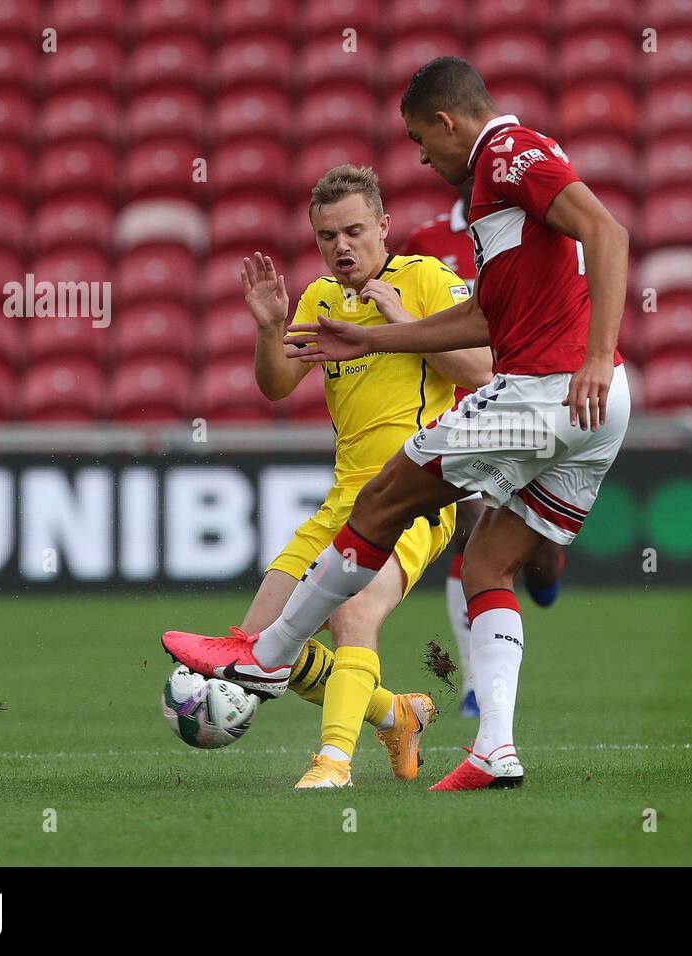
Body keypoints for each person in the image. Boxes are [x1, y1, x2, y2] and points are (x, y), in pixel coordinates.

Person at [164, 56, 632, 791]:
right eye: (327, 235)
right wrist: (303, 332)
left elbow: (592, 249)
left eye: (421, 139)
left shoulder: (487, 186)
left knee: (365, 566)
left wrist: (596, 355)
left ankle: (315, 738)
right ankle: (474, 745)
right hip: (557, 411)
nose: (421, 155)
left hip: (524, 409)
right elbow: (290, 379)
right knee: (486, 567)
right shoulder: (334, 288)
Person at [209, 165, 492, 789]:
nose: (341, 247)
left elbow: (481, 369)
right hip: (345, 498)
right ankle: (394, 714)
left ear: (384, 227)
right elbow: (277, 385)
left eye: (355, 231)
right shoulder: (319, 298)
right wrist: (267, 329)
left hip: (418, 492)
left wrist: (400, 326)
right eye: (327, 236)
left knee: (354, 613)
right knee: (255, 646)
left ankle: (333, 762)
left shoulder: (425, 281)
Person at [403, 176, 568, 718]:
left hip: (535, 403)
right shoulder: (425, 244)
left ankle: (543, 565)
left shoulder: (539, 234)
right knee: (472, 533)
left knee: (540, 561)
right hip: (468, 409)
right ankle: (476, 683)